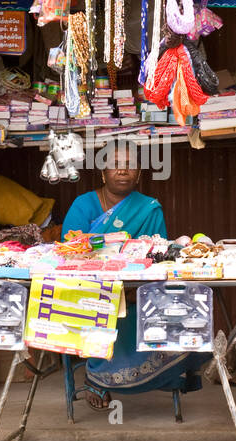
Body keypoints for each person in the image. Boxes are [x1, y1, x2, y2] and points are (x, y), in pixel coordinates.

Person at [59, 144, 202, 412]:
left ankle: (160, 373)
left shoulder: (149, 208)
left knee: (177, 307)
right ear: (103, 173)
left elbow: (156, 253)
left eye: (130, 164)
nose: (122, 169)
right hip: (93, 289)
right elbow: (68, 251)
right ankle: (98, 378)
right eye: (115, 163)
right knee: (102, 305)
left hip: (137, 290)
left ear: (138, 174)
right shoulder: (83, 205)